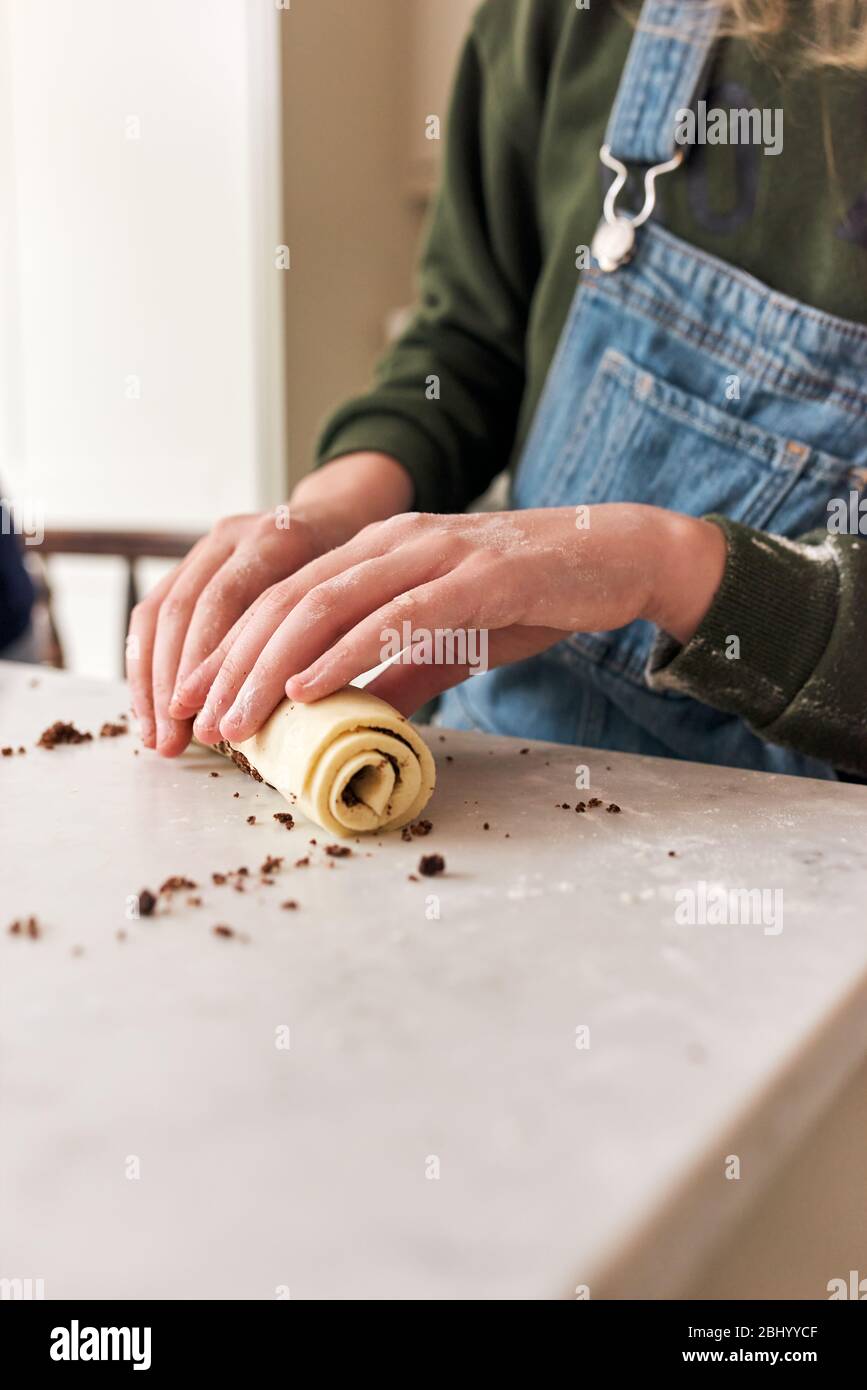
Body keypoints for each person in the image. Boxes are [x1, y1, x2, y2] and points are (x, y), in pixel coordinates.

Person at [128, 0, 867, 781]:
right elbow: (468, 347)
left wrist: (662, 567)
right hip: (498, 774)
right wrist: (336, 510)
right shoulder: (569, 18)